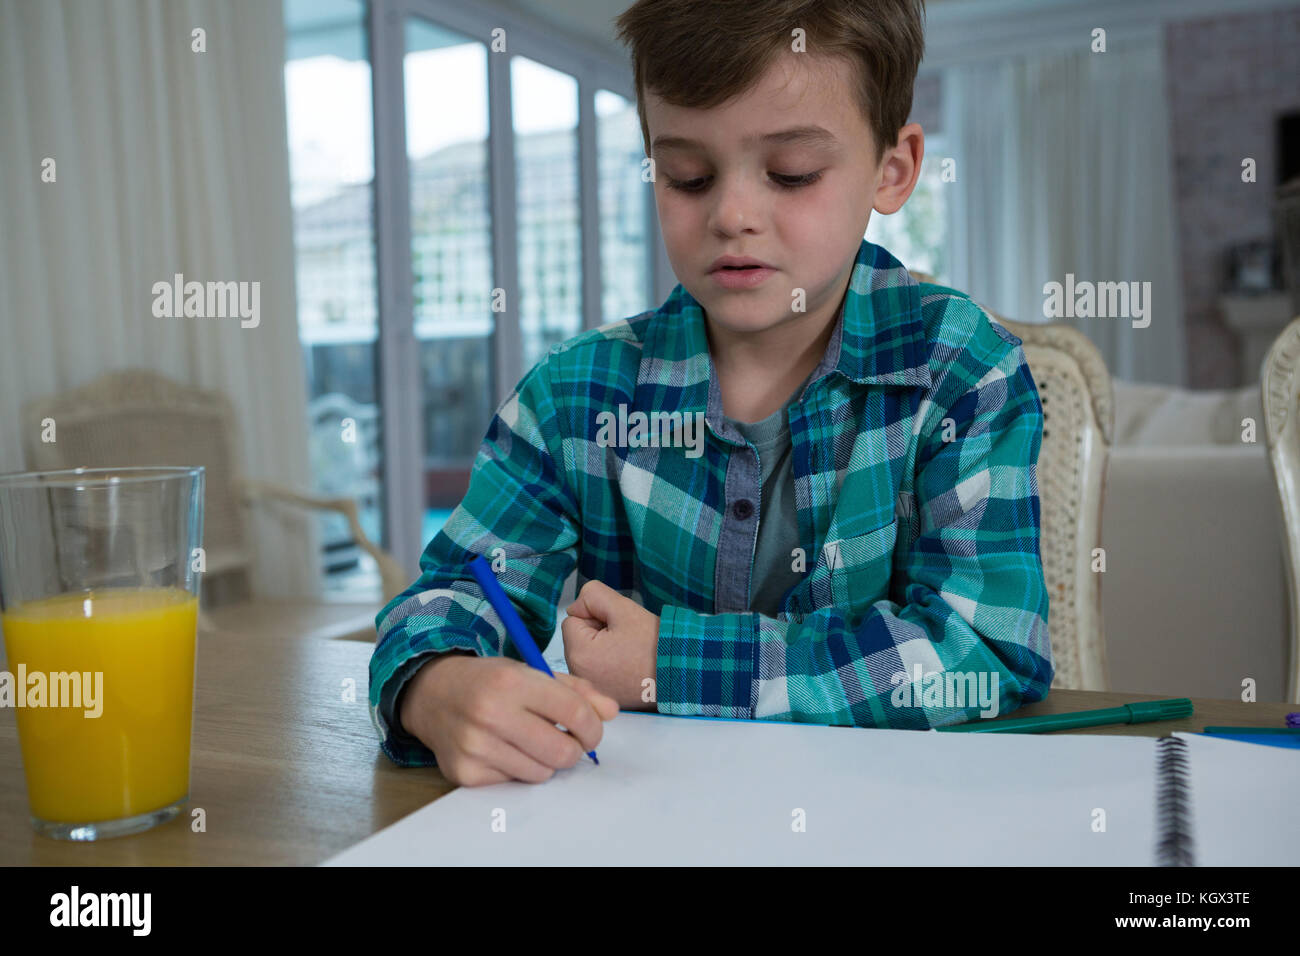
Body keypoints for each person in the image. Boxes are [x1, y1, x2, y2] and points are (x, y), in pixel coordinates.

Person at [370, 0, 1053, 786]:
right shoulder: (576, 396)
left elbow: (985, 649)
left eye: (791, 173)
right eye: (687, 175)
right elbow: (451, 595)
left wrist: (671, 661)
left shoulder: (961, 369)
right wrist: (437, 687)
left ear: (891, 171)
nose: (731, 215)